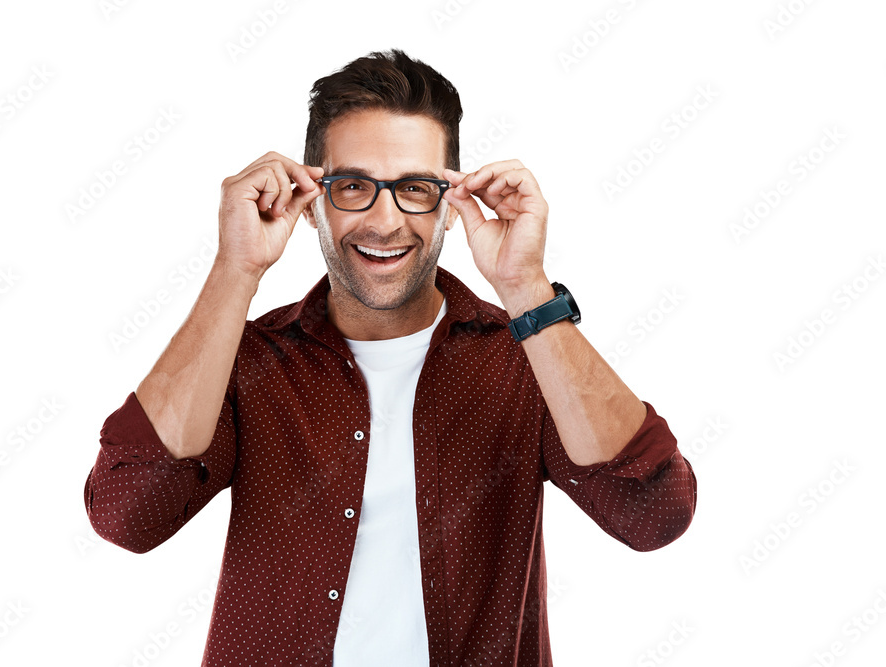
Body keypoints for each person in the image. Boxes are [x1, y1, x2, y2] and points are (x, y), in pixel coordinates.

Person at [83, 48, 697, 667]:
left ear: (452, 204)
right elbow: (128, 514)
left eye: (414, 188)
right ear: (313, 198)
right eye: (352, 186)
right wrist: (235, 269)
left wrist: (527, 291)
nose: (384, 220)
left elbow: (653, 515)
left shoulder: (525, 358)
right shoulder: (245, 362)